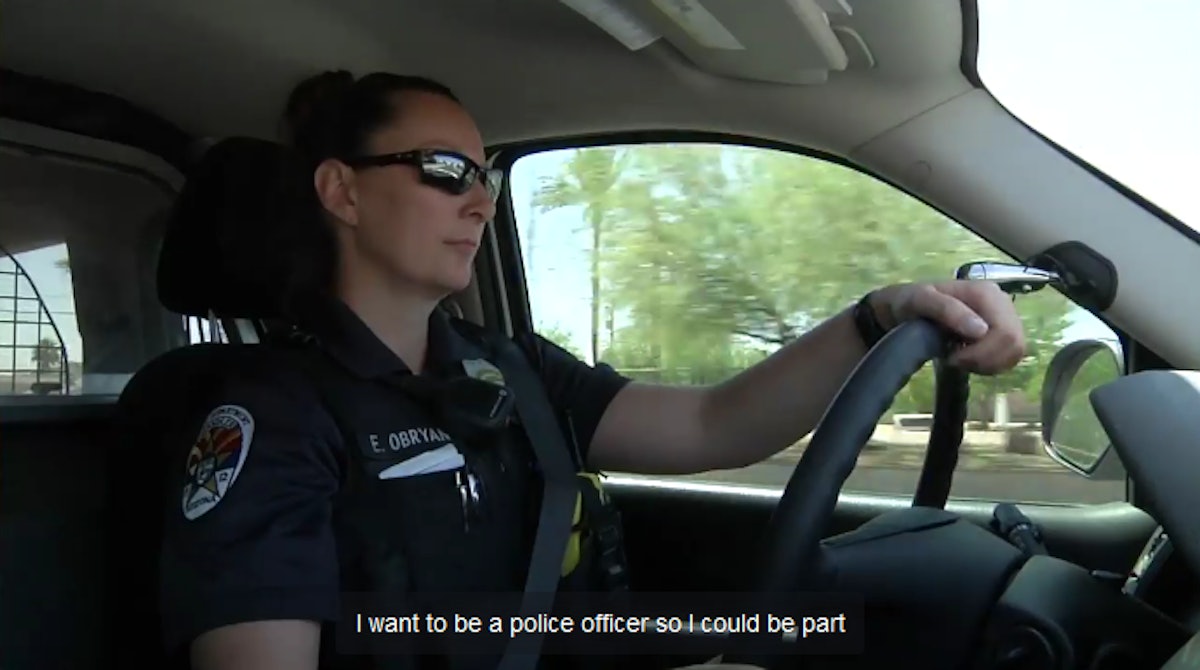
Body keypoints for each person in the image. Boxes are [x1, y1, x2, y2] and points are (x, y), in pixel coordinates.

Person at [160, 69, 1027, 670]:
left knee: (823, 633)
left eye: (487, 175)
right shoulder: (269, 420)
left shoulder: (506, 369)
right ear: (342, 193)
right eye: (444, 169)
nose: (481, 199)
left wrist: (878, 316)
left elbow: (715, 425)